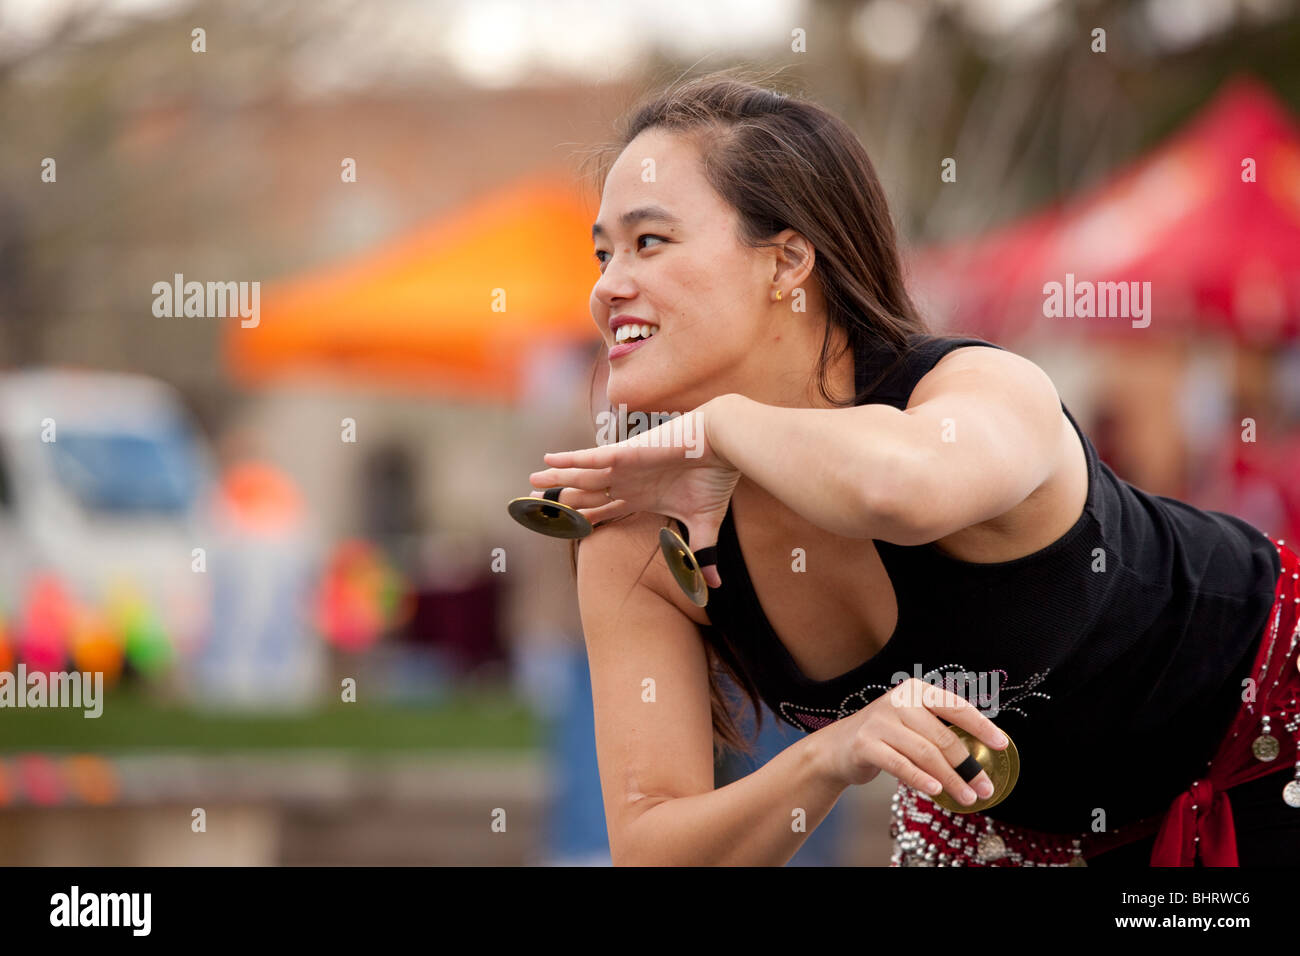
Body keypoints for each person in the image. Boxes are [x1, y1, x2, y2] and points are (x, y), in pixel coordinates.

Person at [523, 70, 1300, 866]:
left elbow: (901, 490)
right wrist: (832, 754)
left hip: (1271, 730)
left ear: (788, 262)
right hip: (1016, 834)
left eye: (648, 242)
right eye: (602, 252)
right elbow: (655, 850)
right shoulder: (637, 532)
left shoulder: (976, 389)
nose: (607, 287)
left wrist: (718, 429)